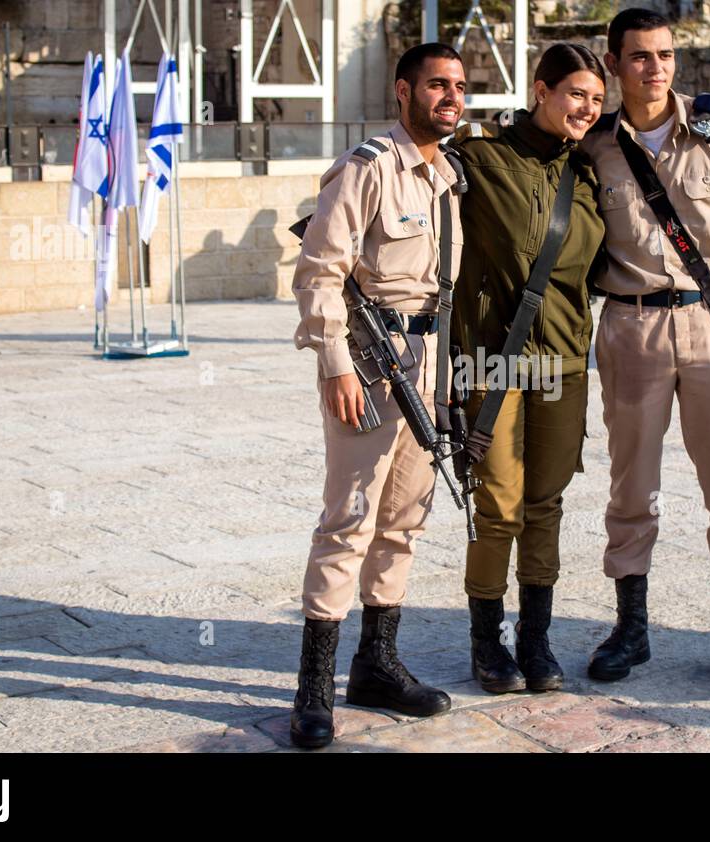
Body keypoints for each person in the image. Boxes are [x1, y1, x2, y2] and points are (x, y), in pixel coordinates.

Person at [579, 8, 710, 694]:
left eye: (665, 55)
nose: (655, 68)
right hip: (631, 326)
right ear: (614, 64)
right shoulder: (597, 143)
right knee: (631, 484)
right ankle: (631, 629)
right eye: (639, 57)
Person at [287, 42, 467, 749]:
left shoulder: (447, 177)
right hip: (368, 362)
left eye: (458, 86)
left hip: (426, 364)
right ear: (403, 91)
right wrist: (333, 362)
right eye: (436, 85)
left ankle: (377, 664)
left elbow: (441, 296)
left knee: (404, 521)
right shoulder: (367, 167)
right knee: (349, 520)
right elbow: (318, 272)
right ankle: (313, 688)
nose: (450, 96)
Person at [449, 44, 607, 694]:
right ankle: (487, 645)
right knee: (500, 508)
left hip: (566, 360)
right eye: (575, 94)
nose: (587, 109)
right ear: (541, 90)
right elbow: (407, 177)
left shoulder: (592, 174)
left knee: (546, 505)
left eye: (597, 100)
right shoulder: (480, 159)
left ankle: (535, 642)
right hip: (493, 361)